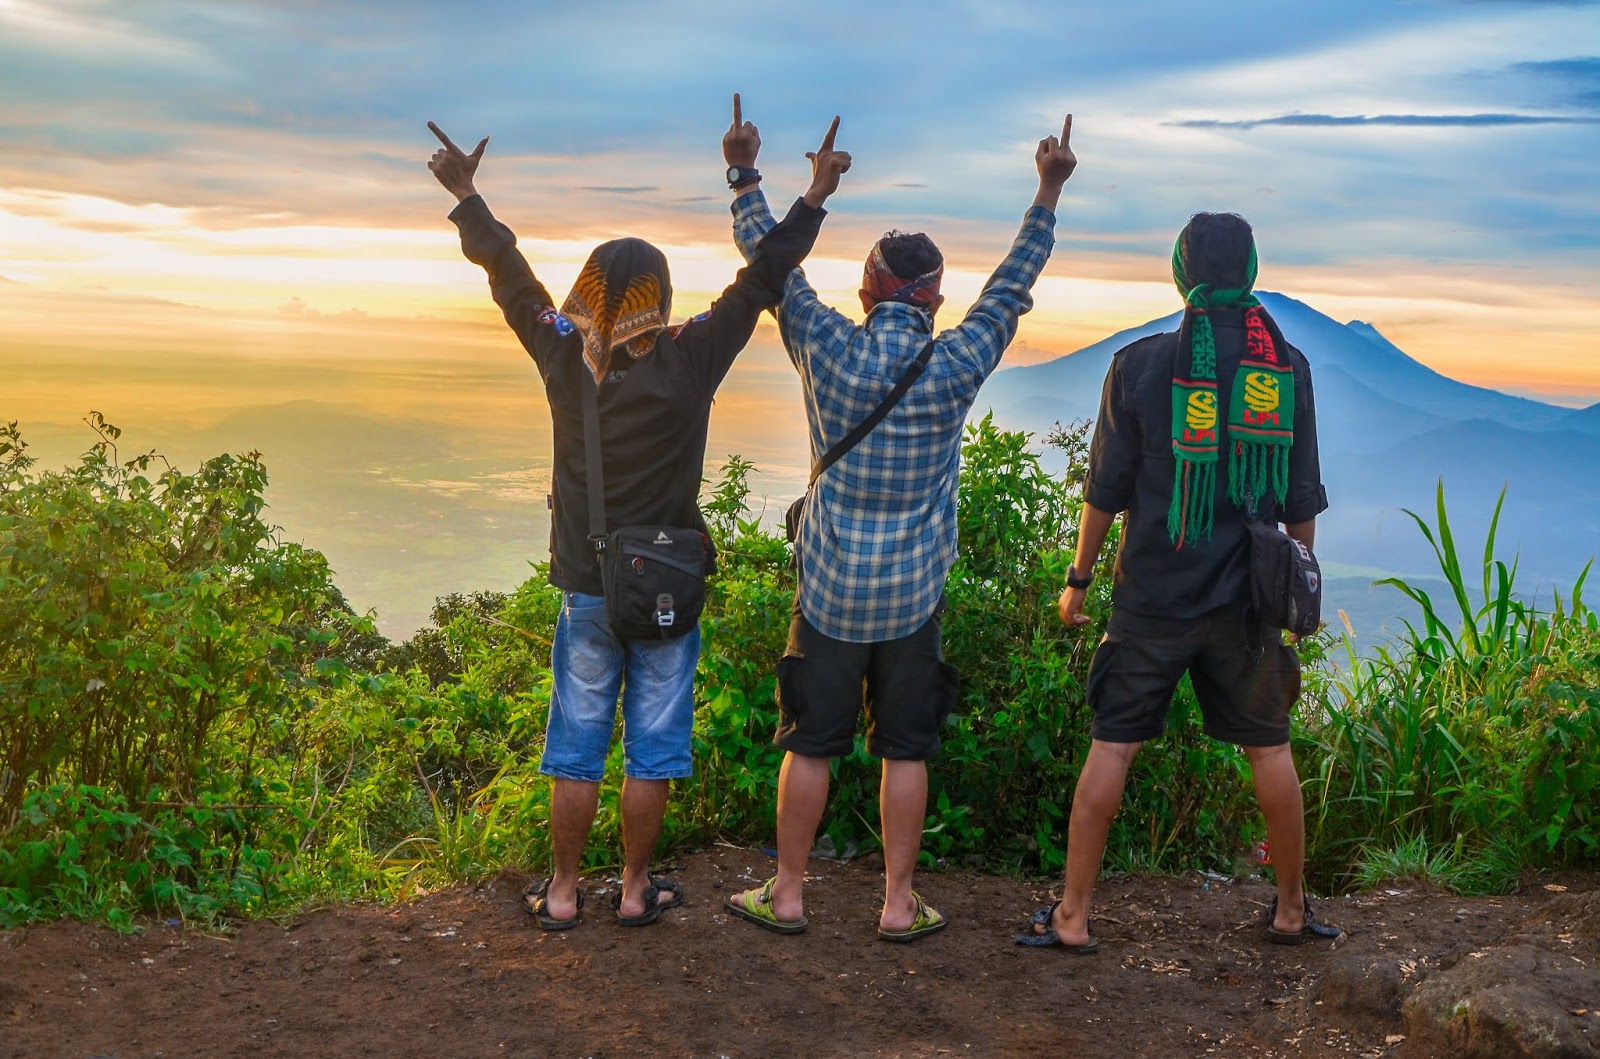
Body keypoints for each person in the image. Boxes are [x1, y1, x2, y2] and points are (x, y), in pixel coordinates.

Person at [426, 115, 849, 929]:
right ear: (660, 300)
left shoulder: (560, 356)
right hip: (666, 590)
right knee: (652, 747)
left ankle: (559, 892)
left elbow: (513, 280)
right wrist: (810, 191)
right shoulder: (692, 359)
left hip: (588, 587)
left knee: (576, 746)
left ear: (587, 292)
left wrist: (467, 193)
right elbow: (762, 279)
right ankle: (631, 888)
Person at [718, 95, 1077, 942]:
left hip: (832, 593)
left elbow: (774, 269)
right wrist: (1047, 192)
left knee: (810, 745)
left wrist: (747, 174)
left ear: (871, 288)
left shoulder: (827, 347)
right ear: (935, 298)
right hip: (913, 597)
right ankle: (897, 902)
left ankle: (792, 893)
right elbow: (1011, 289)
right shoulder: (955, 362)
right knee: (903, 751)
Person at [1023, 212, 1339, 952]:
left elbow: (1104, 489)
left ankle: (1073, 915)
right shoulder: (1284, 368)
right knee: (1270, 749)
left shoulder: (1139, 366)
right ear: (1250, 270)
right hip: (1246, 604)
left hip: (1152, 597)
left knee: (1113, 746)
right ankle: (1291, 909)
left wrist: (1078, 578)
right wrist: (1295, 595)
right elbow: (1301, 499)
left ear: (1179, 271)